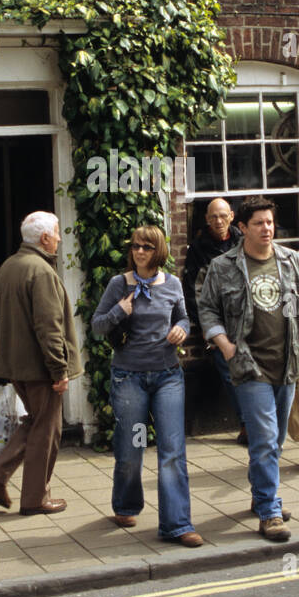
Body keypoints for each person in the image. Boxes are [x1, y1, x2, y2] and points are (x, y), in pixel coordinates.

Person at [198, 195, 299, 542]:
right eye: (259, 223)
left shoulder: (291, 262)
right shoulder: (224, 266)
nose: (267, 229)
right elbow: (207, 310)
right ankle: (269, 511)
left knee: (275, 441)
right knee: (262, 439)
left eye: (270, 222)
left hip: (288, 364)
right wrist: (226, 345)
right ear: (242, 227)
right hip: (249, 367)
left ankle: (262, 494)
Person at [91, 224, 203, 547]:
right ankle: (125, 504)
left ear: (159, 251)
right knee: (130, 449)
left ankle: (177, 524)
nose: (140, 252)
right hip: (128, 377)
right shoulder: (118, 284)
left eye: (147, 247)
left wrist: (181, 329)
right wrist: (119, 310)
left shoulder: (172, 284)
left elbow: (183, 318)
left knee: (172, 451)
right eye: (136, 246)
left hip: (168, 375)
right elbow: (98, 325)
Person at [0, 211, 82, 515]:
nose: (60, 239)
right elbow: (49, 327)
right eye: (57, 233)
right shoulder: (42, 272)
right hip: (40, 368)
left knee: (35, 422)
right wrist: (59, 370)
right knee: (47, 431)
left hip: (16, 365)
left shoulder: (7, 267)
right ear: (45, 238)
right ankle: (36, 498)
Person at [180, 197, 247, 444]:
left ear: (231, 215)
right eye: (212, 217)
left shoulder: (244, 241)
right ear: (207, 220)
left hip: (248, 318)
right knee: (230, 373)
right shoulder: (199, 249)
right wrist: (207, 326)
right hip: (220, 323)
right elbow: (192, 290)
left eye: (222, 216)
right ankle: (247, 424)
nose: (218, 221)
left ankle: (261, 422)